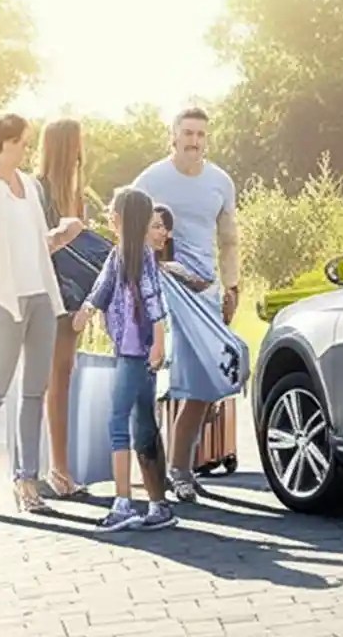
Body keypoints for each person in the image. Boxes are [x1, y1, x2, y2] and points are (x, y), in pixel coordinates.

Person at [0, 113, 82, 516]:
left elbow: (38, 243)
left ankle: (26, 480)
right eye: (24, 143)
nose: (28, 150)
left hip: (42, 298)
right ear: (6, 143)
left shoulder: (27, 186)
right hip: (5, 302)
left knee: (33, 393)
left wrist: (62, 234)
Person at [132, 107, 240, 502]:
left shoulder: (220, 182)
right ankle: (155, 470)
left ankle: (180, 468)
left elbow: (229, 240)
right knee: (156, 380)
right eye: (188, 133)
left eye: (201, 135)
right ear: (174, 135)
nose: (194, 140)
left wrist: (232, 287)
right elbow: (125, 225)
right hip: (160, 290)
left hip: (205, 293)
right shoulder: (151, 179)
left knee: (202, 384)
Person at [72, 186, 178, 532]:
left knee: (118, 421)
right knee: (143, 422)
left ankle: (123, 503)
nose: (108, 217)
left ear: (120, 219)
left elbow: (154, 300)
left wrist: (159, 342)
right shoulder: (122, 254)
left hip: (136, 354)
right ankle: (158, 505)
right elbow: (102, 287)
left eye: (112, 213)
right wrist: (86, 311)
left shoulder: (141, 257)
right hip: (135, 352)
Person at [35, 117, 90, 499]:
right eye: (77, 145)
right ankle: (48, 469)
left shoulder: (78, 196)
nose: (81, 154)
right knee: (45, 379)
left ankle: (59, 467)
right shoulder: (36, 192)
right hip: (44, 295)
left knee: (63, 377)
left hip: (74, 298)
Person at [150, 204, 212, 292]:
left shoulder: (176, 268)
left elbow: (205, 290)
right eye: (157, 227)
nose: (163, 233)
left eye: (167, 228)